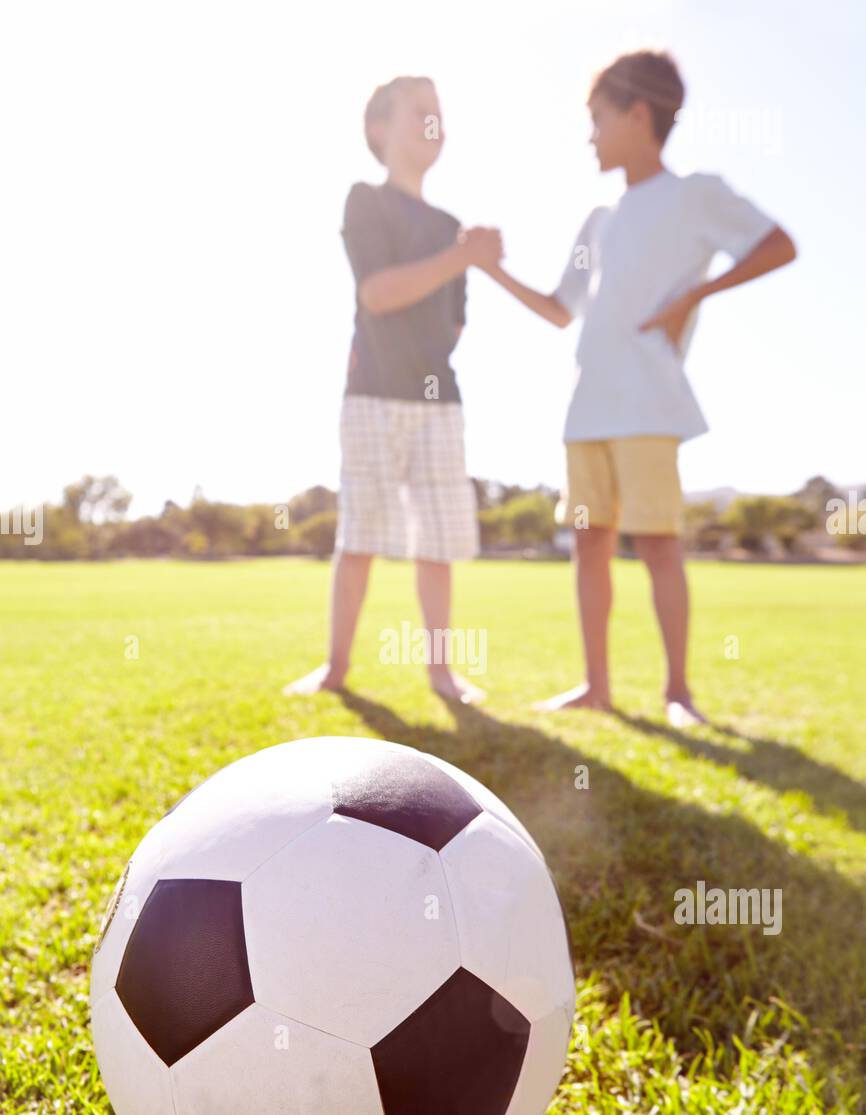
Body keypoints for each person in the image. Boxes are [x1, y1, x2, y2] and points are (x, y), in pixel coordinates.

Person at [487, 50, 796, 725]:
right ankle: (595, 686)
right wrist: (491, 268)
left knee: (657, 543)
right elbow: (559, 309)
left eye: (597, 119)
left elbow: (779, 244)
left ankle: (678, 692)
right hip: (586, 407)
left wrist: (695, 294)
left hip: (648, 403)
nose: (590, 136)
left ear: (637, 114)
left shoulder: (694, 194)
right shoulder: (598, 219)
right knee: (589, 543)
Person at [286, 75, 502, 703]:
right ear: (380, 130)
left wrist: (461, 259)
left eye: (440, 114)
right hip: (372, 395)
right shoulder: (366, 202)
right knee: (361, 534)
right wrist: (462, 258)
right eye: (420, 113)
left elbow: (455, 324)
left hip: (438, 403)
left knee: (437, 543)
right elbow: (378, 293)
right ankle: (336, 669)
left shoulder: (451, 226)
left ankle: (441, 673)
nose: (435, 124)